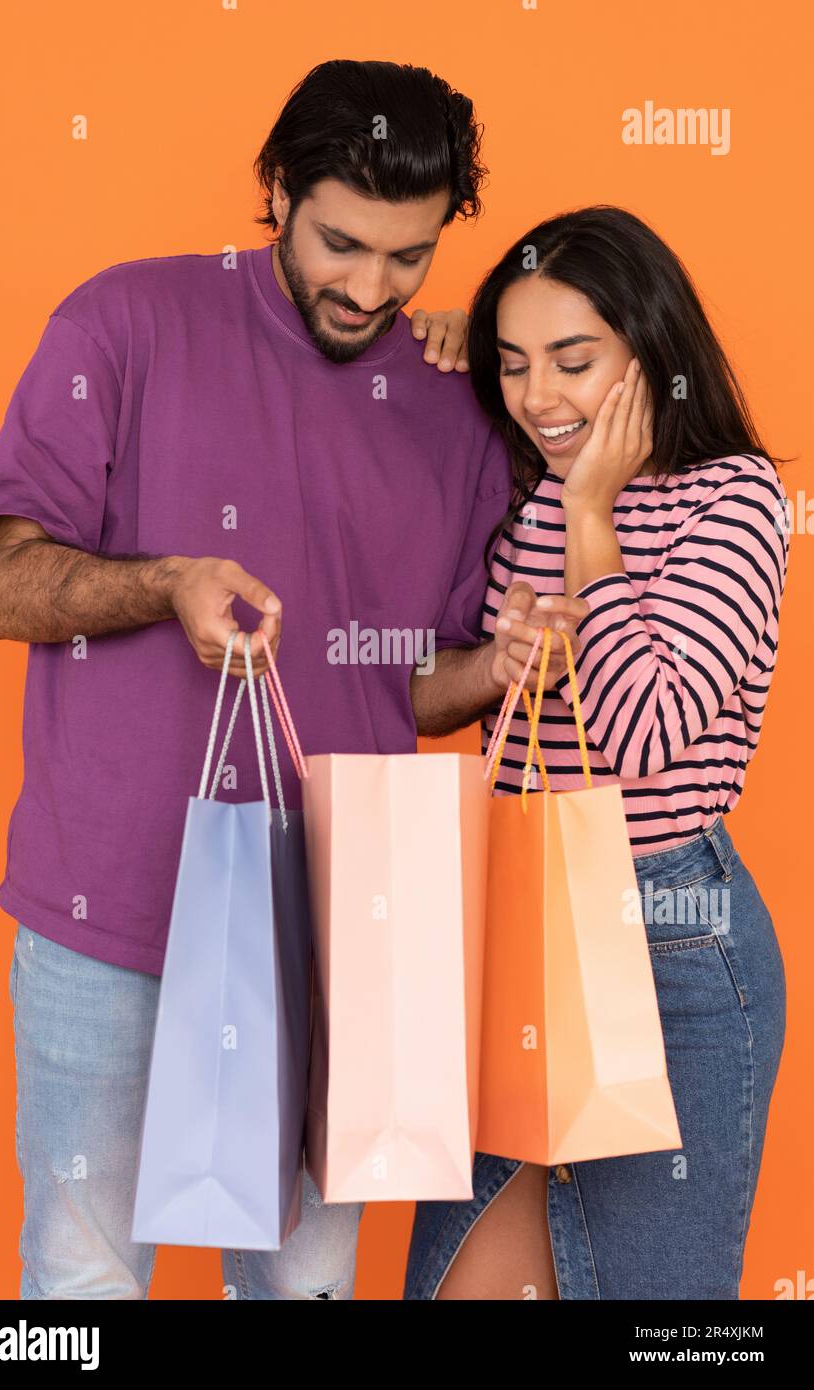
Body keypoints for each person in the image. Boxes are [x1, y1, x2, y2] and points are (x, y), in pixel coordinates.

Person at [0, 59, 581, 1301]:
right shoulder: (121, 323)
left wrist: (497, 666)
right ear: (277, 191)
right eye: (341, 243)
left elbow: (406, 692)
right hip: (106, 912)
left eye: (407, 259)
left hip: (338, 926)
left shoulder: (458, 407)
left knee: (306, 1285)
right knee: (77, 1274)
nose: (369, 289)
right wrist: (166, 580)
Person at [404, 205, 790, 1300]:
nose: (537, 396)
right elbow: (426, 693)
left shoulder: (734, 498)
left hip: (665, 931)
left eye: (572, 361)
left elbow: (644, 733)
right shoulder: (510, 485)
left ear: (648, 351)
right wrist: (430, 343)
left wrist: (587, 520)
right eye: (514, 364)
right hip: (514, 912)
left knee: (657, 1307)